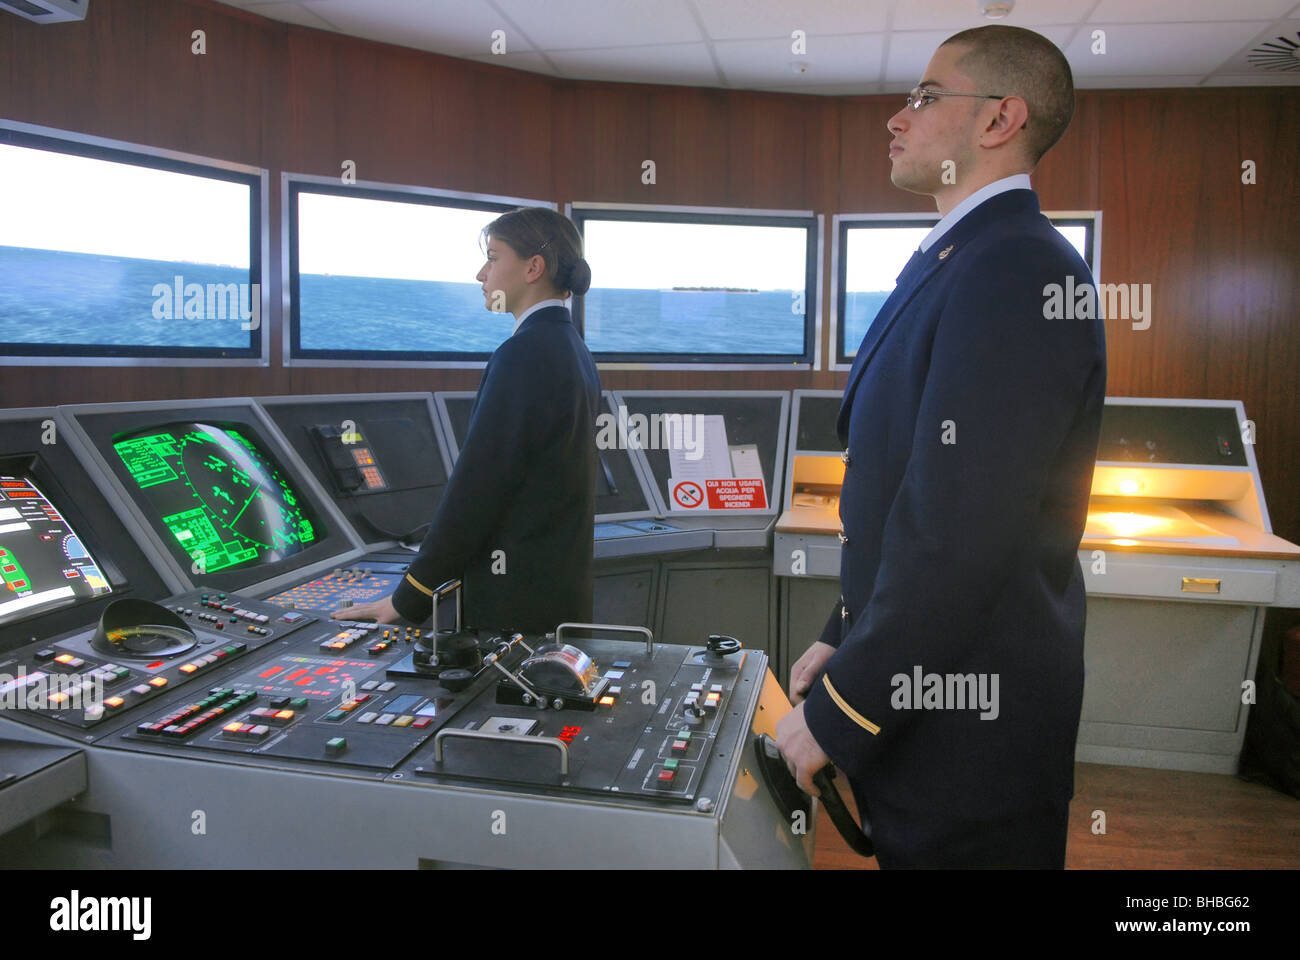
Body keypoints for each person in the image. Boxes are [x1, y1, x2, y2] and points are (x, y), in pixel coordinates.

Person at [775, 24, 1106, 868]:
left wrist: (844, 708)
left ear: (1000, 121)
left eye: (924, 97)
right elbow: (905, 493)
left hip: (971, 735)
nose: (897, 117)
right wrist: (846, 631)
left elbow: (960, 529)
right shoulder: (963, 259)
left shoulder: (1017, 269)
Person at [334, 207, 601, 633]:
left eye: (493, 258)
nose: (482, 274)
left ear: (533, 267)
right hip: (552, 599)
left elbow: (478, 491)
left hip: (511, 610)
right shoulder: (571, 348)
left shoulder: (523, 355)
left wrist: (409, 596)